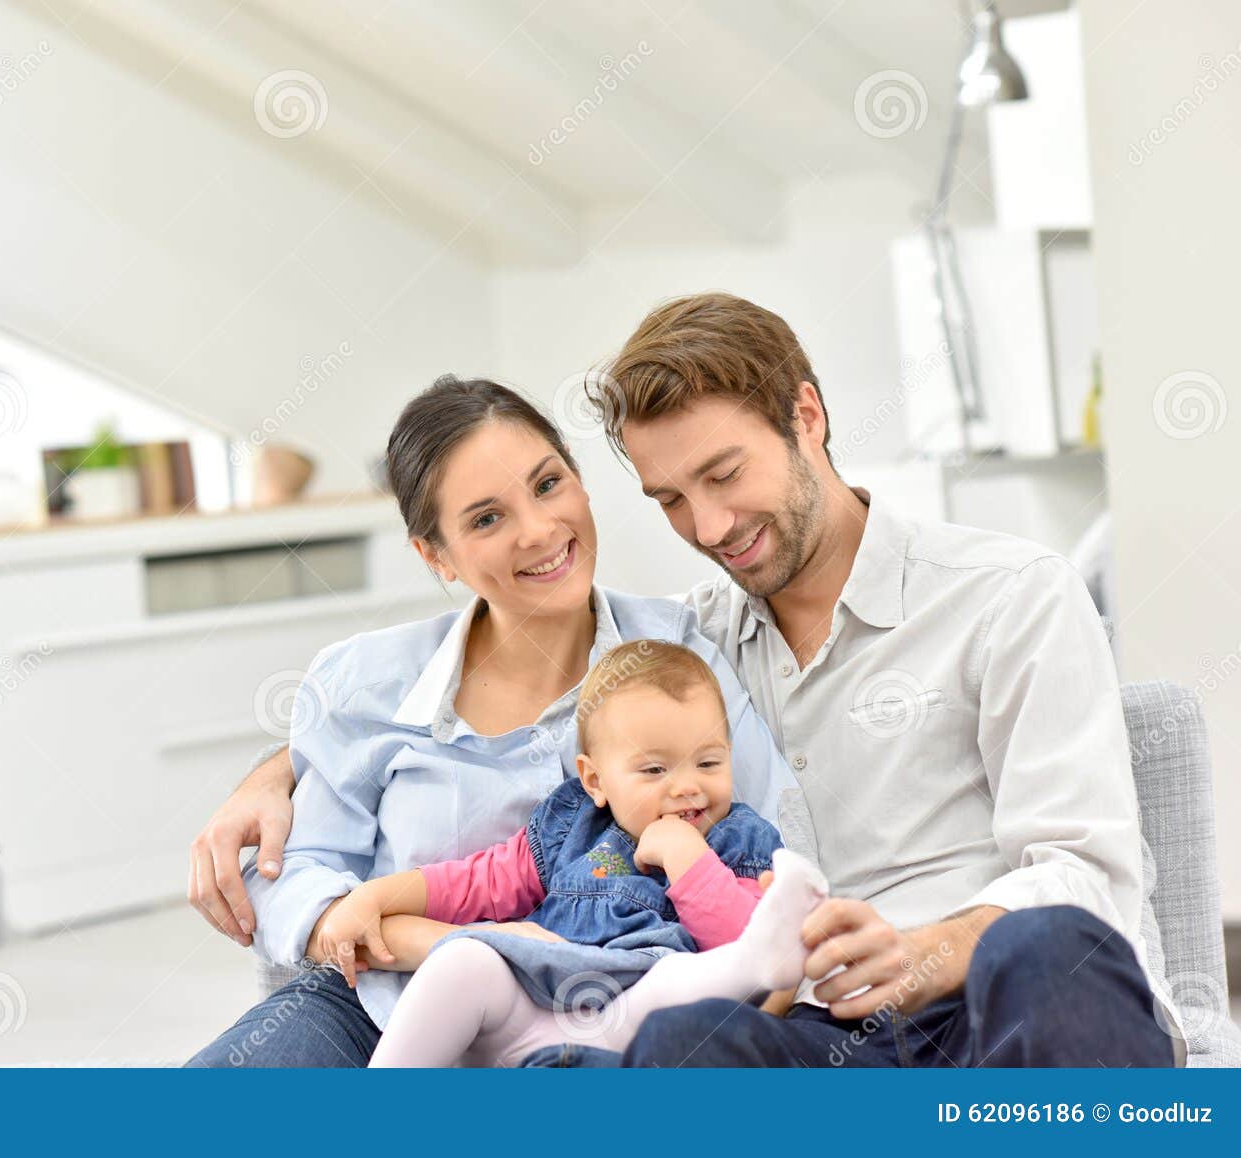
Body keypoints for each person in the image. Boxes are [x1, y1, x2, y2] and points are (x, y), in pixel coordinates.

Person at [192, 294, 1178, 1068]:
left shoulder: (1006, 597)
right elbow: (527, 718)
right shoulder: (688, 646)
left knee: (1043, 945)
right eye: (668, 498)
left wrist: (933, 948)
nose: (708, 529)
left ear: (806, 414)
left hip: (1000, 1010)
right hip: (830, 1034)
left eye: (723, 474)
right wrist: (278, 772)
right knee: (676, 1045)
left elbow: (1088, 877)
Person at [183, 375, 795, 1067]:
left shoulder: (680, 653)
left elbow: (765, 845)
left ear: (580, 478)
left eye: (546, 484)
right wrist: (432, 942)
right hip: (380, 1006)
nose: (539, 531)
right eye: (485, 518)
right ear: (434, 554)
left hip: (607, 1017)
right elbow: (299, 875)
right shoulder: (364, 680)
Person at [352, 641, 830, 1067]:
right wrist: (378, 896)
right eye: (655, 769)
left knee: (680, 983)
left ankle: (768, 955)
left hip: (626, 1024)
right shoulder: (571, 825)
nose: (687, 787)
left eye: (708, 762)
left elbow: (734, 938)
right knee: (462, 960)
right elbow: (478, 883)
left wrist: (688, 859)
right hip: (530, 1007)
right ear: (596, 780)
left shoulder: (737, 840)